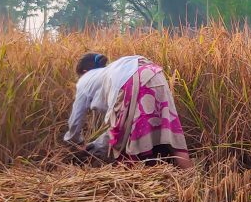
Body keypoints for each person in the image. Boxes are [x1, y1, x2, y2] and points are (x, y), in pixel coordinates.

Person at [64, 52, 193, 168]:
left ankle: (134, 180)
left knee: (124, 143)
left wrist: (75, 142)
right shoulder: (111, 70)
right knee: (170, 130)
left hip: (132, 81)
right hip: (154, 72)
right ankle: (189, 174)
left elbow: (75, 120)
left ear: (85, 71)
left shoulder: (84, 80)